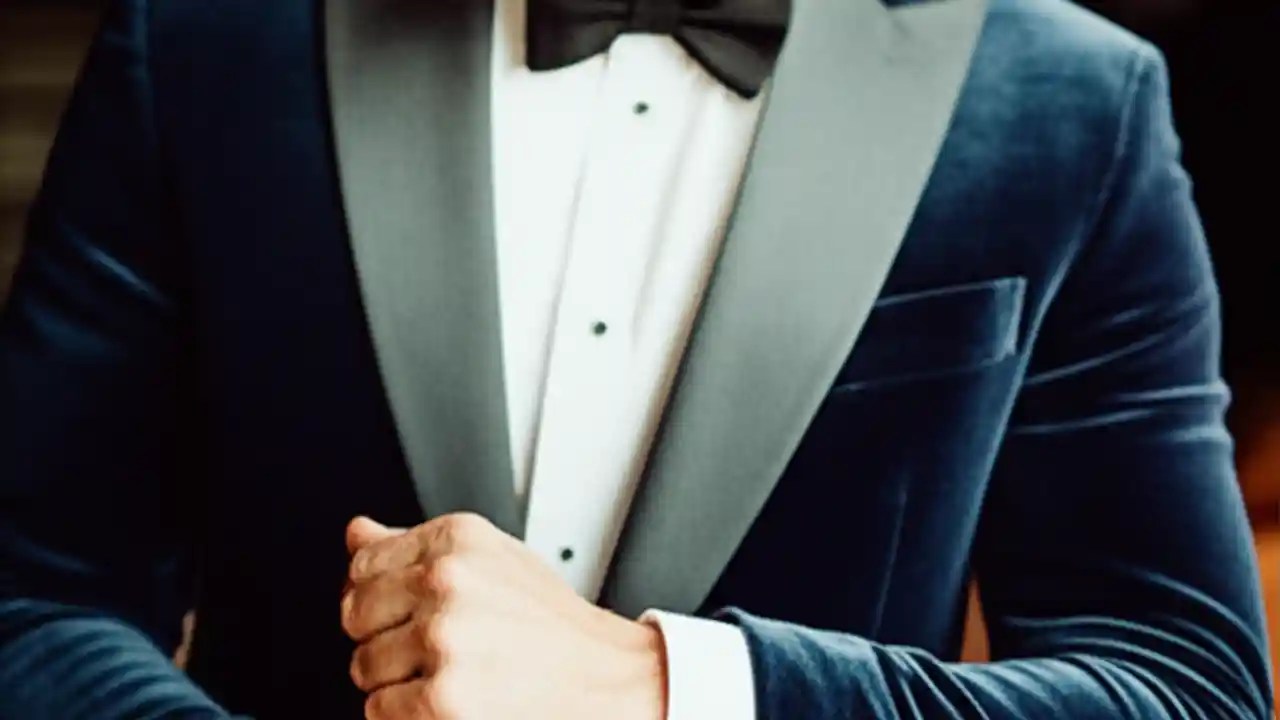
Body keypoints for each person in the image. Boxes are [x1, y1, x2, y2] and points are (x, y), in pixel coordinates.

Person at [0, 0, 1272, 717]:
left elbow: (1183, 686)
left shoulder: (1070, 100)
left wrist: (675, 687)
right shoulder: (210, 43)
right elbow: (34, 600)